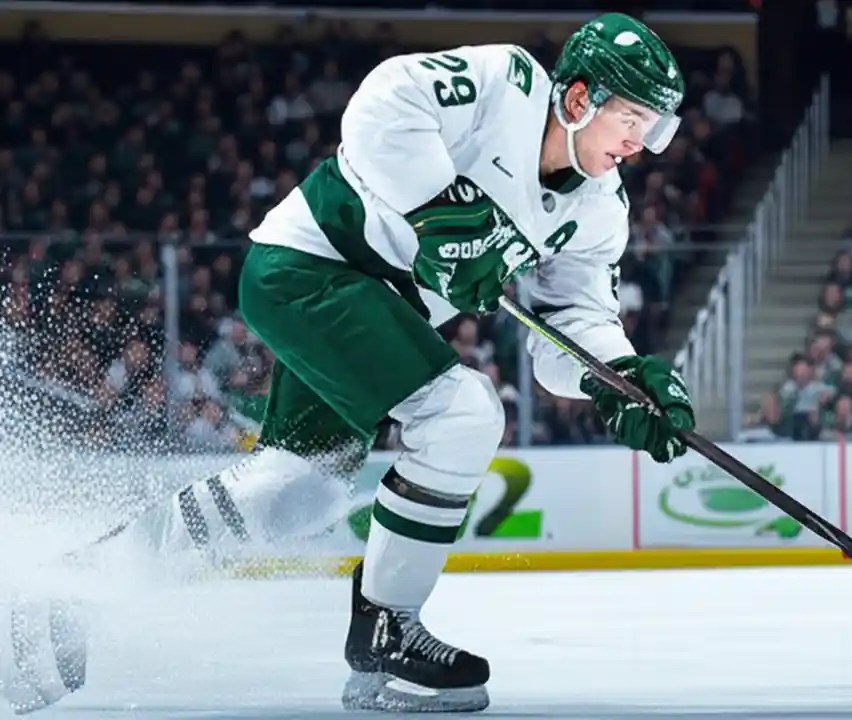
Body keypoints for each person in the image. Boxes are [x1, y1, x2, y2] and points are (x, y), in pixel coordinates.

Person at [3, 13, 696, 715]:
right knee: (461, 413)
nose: (642, 144)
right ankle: (387, 630)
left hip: (370, 309)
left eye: (654, 129)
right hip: (307, 268)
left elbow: (572, 326)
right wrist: (435, 208)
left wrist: (618, 380)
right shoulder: (507, 83)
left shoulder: (601, 210)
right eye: (633, 119)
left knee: (294, 493)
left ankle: (75, 587)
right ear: (578, 100)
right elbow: (385, 99)